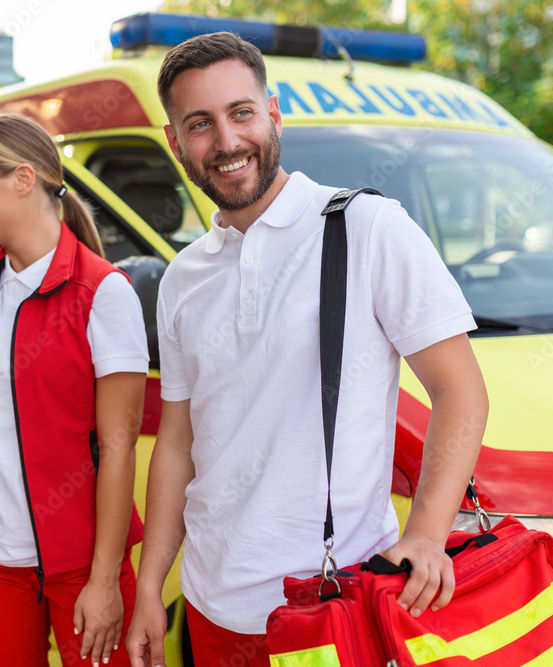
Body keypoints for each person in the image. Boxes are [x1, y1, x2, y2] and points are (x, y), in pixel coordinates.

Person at [126, 33, 489, 667]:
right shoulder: (183, 277)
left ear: (273, 115)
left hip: (335, 602)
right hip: (211, 607)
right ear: (175, 143)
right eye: (200, 124)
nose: (227, 141)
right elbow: (178, 442)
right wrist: (151, 588)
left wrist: (428, 536)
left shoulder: (368, 227)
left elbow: (460, 391)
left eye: (241, 113)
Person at [0, 114, 149, 667]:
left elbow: (118, 448)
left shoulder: (104, 293)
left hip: (82, 562)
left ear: (22, 179)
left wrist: (103, 580)